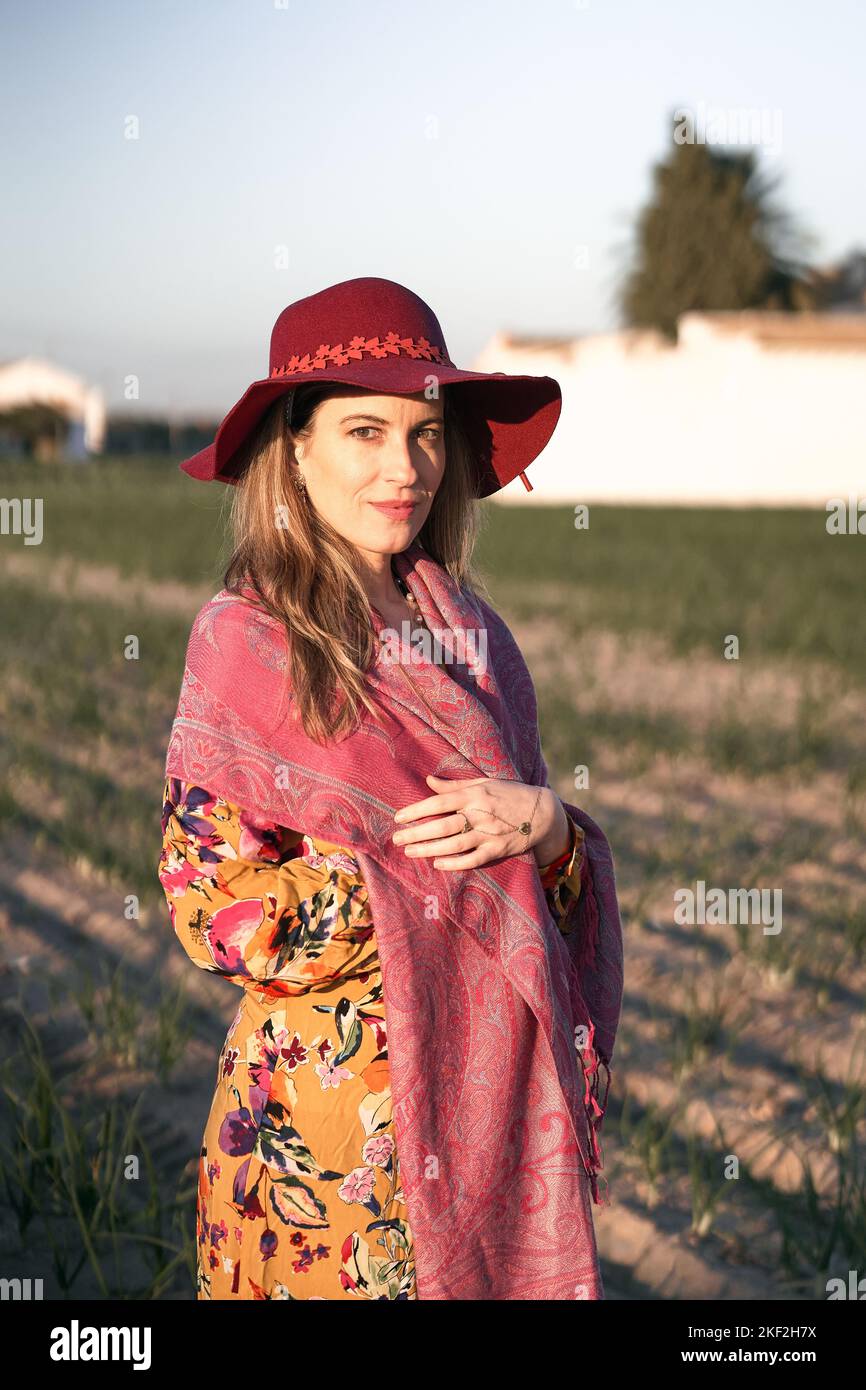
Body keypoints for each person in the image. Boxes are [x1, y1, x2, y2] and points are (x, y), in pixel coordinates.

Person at [157, 275, 624, 1300]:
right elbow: (214, 913)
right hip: (331, 1155)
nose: (402, 467)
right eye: (363, 432)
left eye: (423, 433)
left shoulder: (475, 642)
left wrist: (547, 831)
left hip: (494, 1114)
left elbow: (535, 886)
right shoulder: (246, 644)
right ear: (294, 446)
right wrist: (410, 875)